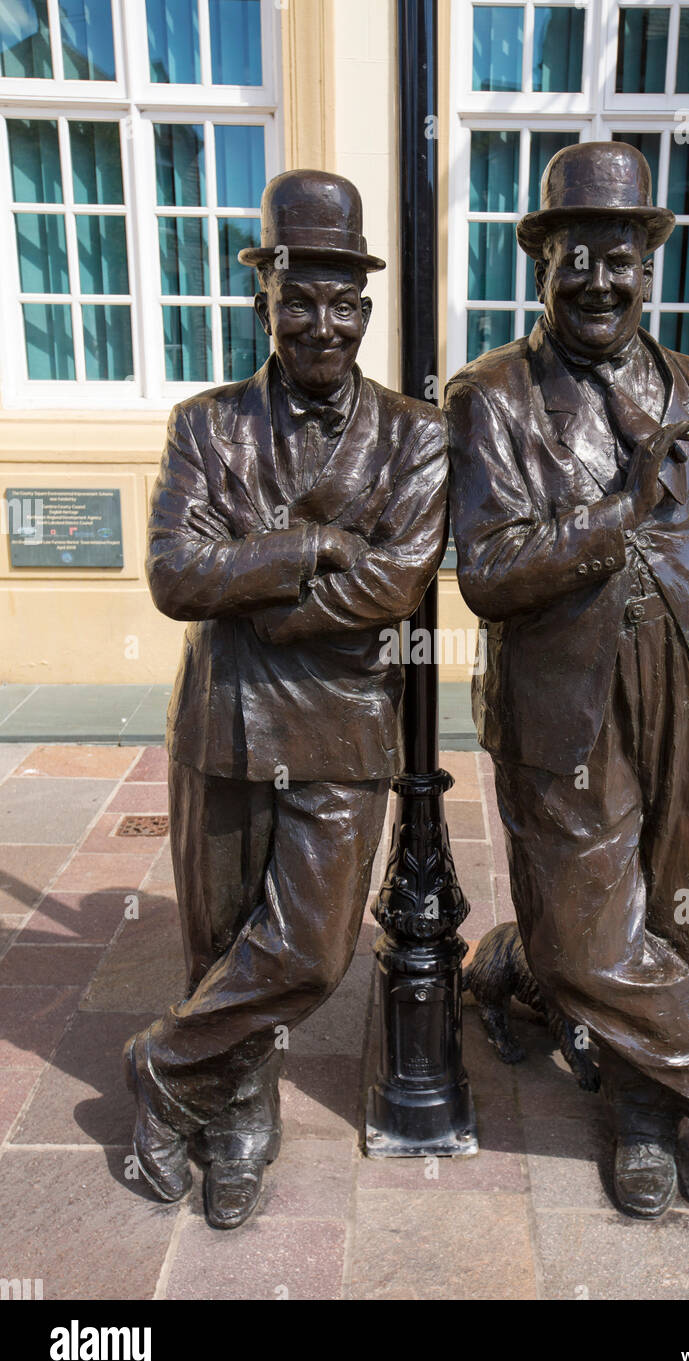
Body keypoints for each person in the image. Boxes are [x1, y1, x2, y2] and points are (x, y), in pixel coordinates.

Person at [445, 142, 689, 1219]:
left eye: (620, 256)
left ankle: (646, 1107)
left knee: (680, 909)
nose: (598, 279)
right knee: (583, 934)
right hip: (562, 700)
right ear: (538, 265)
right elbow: (490, 573)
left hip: (687, 682)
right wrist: (617, 510)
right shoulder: (490, 397)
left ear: (649, 264)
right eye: (573, 257)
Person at [124, 170, 447, 1229]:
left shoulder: (413, 434)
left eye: (344, 301)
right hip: (221, 723)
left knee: (309, 946)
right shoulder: (204, 426)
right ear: (264, 295)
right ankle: (236, 1106)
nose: (323, 322)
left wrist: (256, 593)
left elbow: (396, 581)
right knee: (220, 938)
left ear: (365, 307)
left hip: (345, 728)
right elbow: (176, 576)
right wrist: (307, 546)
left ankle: (163, 1063)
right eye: (300, 296)